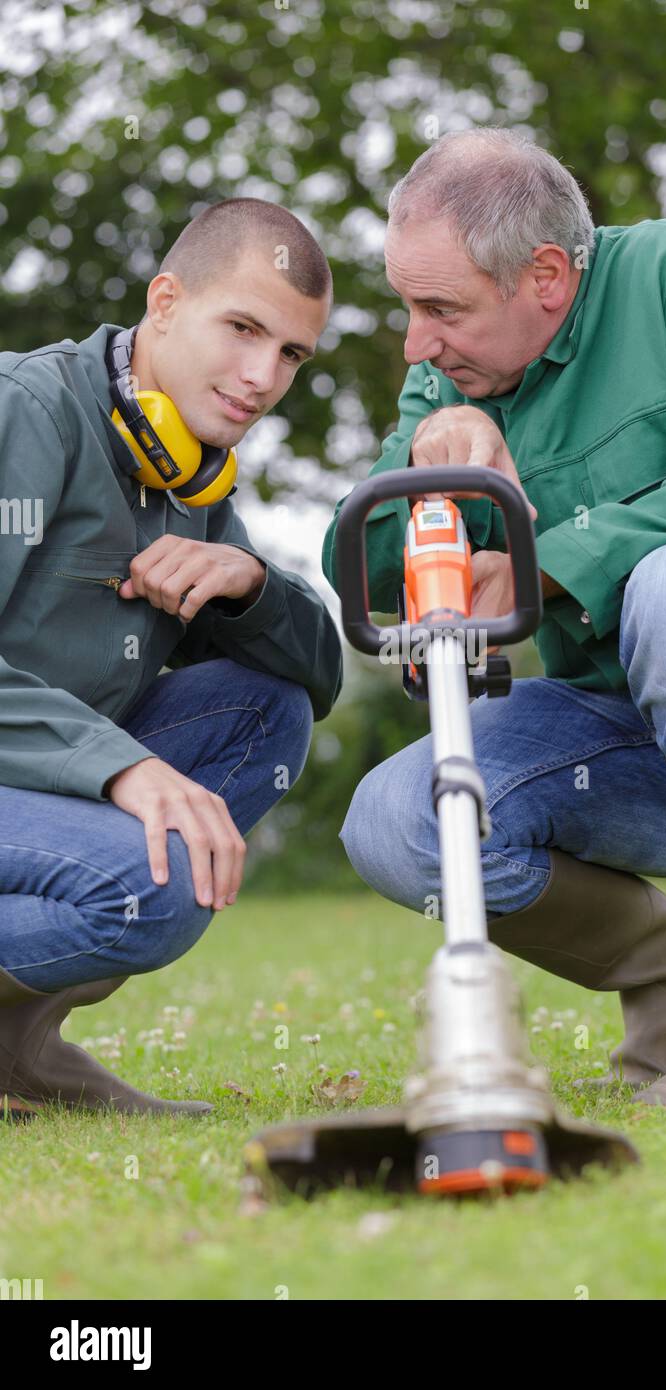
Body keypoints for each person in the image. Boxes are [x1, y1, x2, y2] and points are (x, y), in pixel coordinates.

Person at [323, 127, 666, 1107]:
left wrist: (552, 568)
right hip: (625, 733)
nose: (415, 342)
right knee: (397, 824)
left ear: (543, 276)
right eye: (406, 307)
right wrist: (430, 467)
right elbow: (360, 569)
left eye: (439, 308)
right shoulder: (445, 374)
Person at [0, 197, 342, 1119]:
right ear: (164, 302)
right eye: (243, 328)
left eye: (291, 355)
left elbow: (319, 677)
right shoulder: (28, 410)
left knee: (267, 710)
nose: (262, 376)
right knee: (150, 890)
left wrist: (251, 582)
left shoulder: (191, 468)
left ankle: (14, 1051)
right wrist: (123, 768)